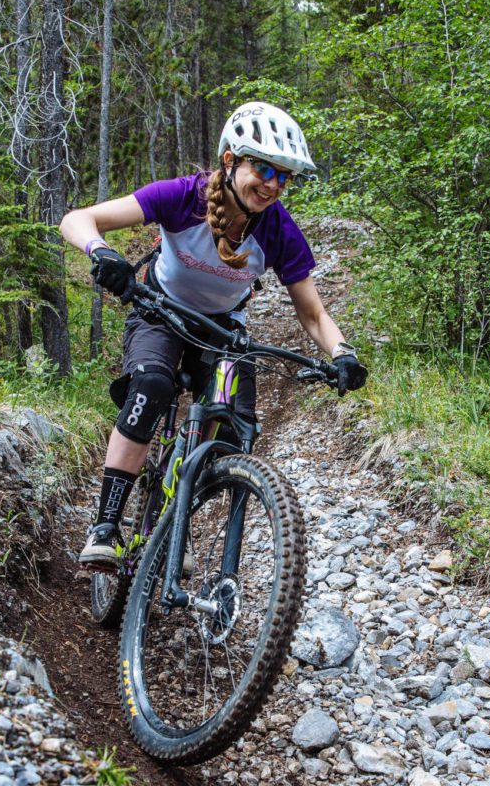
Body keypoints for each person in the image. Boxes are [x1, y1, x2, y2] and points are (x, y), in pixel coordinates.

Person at [59, 101, 369, 571]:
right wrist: (101, 252)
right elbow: (78, 219)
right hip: (159, 311)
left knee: (233, 424)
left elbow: (312, 312)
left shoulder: (280, 231)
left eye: (284, 176)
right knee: (152, 387)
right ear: (230, 160)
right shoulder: (184, 196)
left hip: (223, 329)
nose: (273, 185)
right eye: (264, 169)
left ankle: (174, 524)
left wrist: (342, 351)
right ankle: (105, 526)